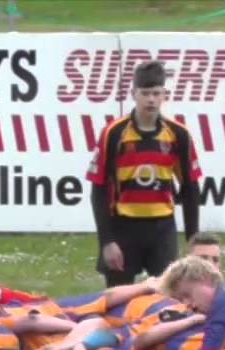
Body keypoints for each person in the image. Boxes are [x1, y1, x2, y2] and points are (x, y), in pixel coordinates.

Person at [88, 60, 201, 287]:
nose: (151, 99)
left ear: (164, 95)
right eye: (145, 93)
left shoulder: (178, 134)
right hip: (123, 227)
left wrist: (193, 241)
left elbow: (190, 189)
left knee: (165, 298)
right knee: (118, 300)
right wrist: (107, 241)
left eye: (156, 93)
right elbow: (98, 189)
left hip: (162, 228)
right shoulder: (114, 133)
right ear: (133, 94)